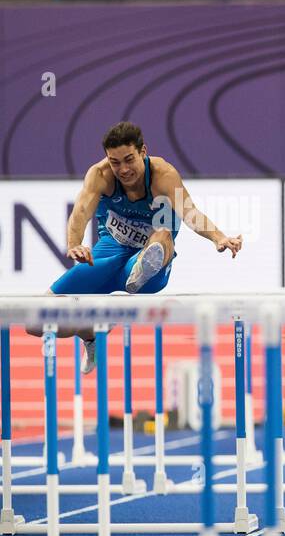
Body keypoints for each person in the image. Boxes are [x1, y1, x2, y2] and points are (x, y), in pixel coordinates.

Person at [35, 121, 244, 372]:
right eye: (115, 161)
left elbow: (189, 213)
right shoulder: (100, 175)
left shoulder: (163, 175)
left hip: (150, 260)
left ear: (143, 152)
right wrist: (74, 244)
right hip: (108, 254)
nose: (122, 169)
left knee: (163, 233)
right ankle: (90, 333)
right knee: (36, 322)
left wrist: (218, 237)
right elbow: (80, 212)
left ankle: (135, 281)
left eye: (128, 159)